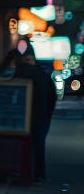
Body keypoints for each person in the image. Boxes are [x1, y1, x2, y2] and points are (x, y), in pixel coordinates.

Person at [13, 42, 57, 182]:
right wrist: (47, 114)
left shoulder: (18, 74)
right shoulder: (43, 75)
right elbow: (52, 97)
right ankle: (38, 174)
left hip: (21, 116)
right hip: (40, 115)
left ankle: (22, 171)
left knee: (22, 145)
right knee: (38, 145)